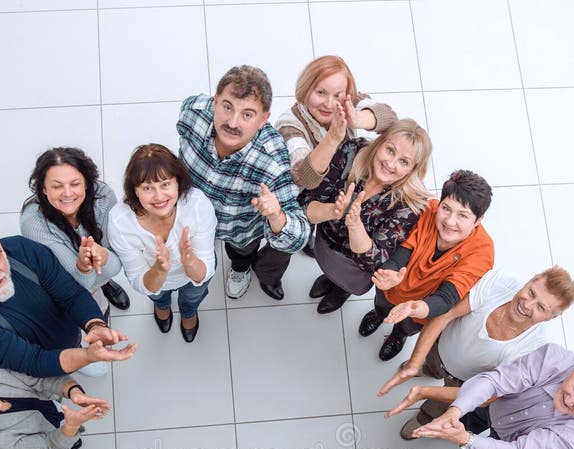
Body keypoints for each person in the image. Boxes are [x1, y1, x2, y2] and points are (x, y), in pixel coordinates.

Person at [378, 266, 574, 439]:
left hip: (464, 382)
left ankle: (425, 417)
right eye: (531, 293)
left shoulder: (535, 349)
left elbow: (488, 396)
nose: (527, 304)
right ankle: (427, 369)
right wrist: (414, 362)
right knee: (430, 362)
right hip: (441, 345)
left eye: (541, 307)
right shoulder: (501, 281)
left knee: (440, 406)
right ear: (529, 281)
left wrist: (424, 393)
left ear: (550, 318)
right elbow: (446, 314)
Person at [177, 65, 309, 301]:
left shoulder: (273, 163)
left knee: (241, 252)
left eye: (247, 114)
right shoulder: (192, 111)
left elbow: (299, 236)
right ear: (215, 101)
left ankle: (240, 268)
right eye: (227, 107)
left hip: (237, 229)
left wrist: (277, 215)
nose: (233, 122)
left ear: (263, 119)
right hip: (190, 213)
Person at [0, 226, 137, 377]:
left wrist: (94, 326)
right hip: (48, 358)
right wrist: (85, 357)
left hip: (72, 330)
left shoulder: (22, 249)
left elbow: (70, 294)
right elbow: (33, 362)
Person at [412, 343, 574, 449]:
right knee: (468, 417)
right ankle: (452, 425)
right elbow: (494, 383)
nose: (571, 399)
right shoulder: (556, 359)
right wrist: (455, 411)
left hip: (513, 440)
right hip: (493, 404)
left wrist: (469, 442)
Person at [358, 169, 495, 360]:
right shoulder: (428, 211)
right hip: (392, 288)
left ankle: (398, 336)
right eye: (446, 208)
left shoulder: (482, 252)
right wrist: (389, 272)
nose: (449, 221)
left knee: (407, 326)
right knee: (381, 305)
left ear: (478, 221)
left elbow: (447, 297)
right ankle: (378, 315)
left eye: (462, 215)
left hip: (423, 309)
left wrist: (413, 308)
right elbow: (402, 253)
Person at [302, 118, 431, 314]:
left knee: (344, 283)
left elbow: (374, 262)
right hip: (325, 240)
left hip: (353, 267)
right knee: (326, 269)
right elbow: (306, 202)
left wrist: (355, 226)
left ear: (413, 170)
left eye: (404, 162)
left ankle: (341, 291)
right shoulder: (352, 152)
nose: (391, 163)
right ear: (380, 142)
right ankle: (329, 278)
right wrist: (332, 211)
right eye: (390, 150)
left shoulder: (410, 205)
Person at [275, 54, 397, 259]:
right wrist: (332, 139)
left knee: (327, 219)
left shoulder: (348, 102)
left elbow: (389, 117)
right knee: (283, 246)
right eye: (320, 93)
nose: (329, 104)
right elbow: (305, 178)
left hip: (334, 185)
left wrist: (357, 118)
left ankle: (312, 238)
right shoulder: (289, 124)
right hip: (298, 195)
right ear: (306, 90)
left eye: (337, 94)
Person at [108, 144, 216, 343]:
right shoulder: (119, 222)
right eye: (148, 188)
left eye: (165, 184)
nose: (159, 197)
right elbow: (139, 282)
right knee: (158, 297)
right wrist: (159, 269)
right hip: (154, 279)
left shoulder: (198, 205)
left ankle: (188, 312)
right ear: (135, 191)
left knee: (192, 297)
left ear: (177, 183)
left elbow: (206, 270)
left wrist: (190, 261)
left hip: (192, 275)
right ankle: (163, 307)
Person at [20, 146, 130, 312]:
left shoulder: (104, 196)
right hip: (73, 279)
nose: (67, 193)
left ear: (86, 183)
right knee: (88, 287)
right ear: (43, 189)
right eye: (57, 186)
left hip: (103, 268)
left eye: (75, 184)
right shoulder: (33, 224)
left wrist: (103, 255)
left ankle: (105, 284)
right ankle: (101, 283)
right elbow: (82, 282)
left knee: (104, 275)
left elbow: (116, 266)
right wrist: (83, 267)